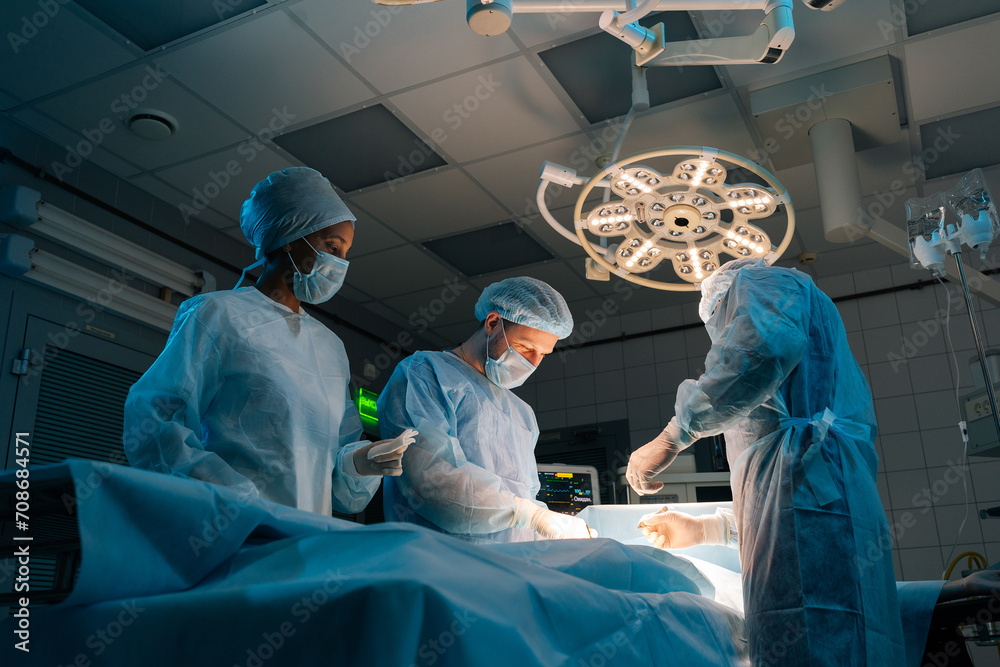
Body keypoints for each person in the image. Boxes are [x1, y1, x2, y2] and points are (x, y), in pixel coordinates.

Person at [626, 257, 906, 665]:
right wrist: (710, 528)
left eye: (725, 330)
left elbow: (760, 353)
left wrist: (676, 433)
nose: (723, 348)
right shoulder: (819, 457)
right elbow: (796, 522)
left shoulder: (763, 284)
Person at [124, 167, 415, 516]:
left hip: (304, 539)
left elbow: (341, 490)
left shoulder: (330, 348)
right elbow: (156, 423)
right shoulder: (218, 315)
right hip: (229, 532)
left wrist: (362, 462)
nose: (339, 264)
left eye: (345, 253)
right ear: (291, 236)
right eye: (331, 247)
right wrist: (235, 500)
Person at [377, 277, 595, 542]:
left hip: (511, 568)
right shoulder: (425, 374)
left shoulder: (522, 414)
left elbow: (523, 504)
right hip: (438, 566)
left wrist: (558, 534)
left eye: (543, 354)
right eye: (526, 347)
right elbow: (431, 483)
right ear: (493, 324)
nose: (533, 363)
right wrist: (532, 516)